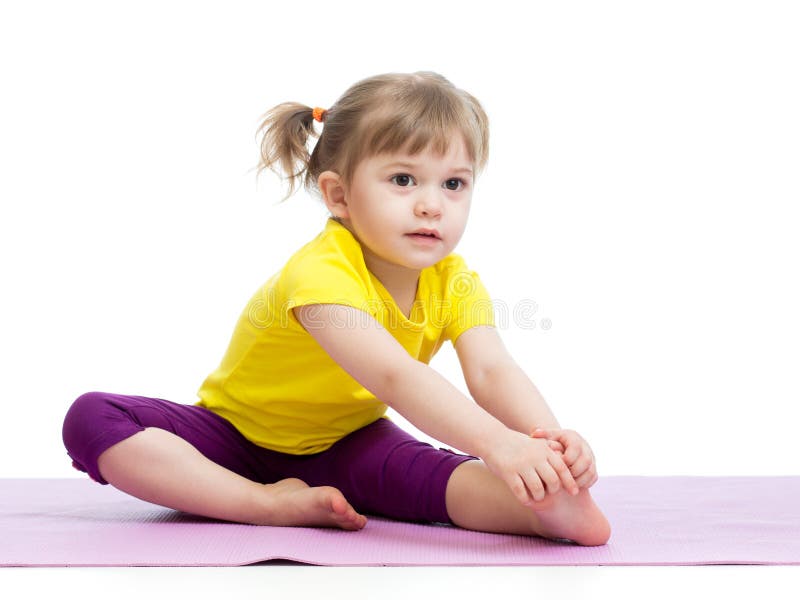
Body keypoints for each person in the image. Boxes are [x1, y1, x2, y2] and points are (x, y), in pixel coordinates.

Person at [62, 71, 611, 546]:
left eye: (453, 183)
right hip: (232, 439)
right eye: (402, 179)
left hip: (351, 446)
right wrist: (500, 444)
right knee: (91, 418)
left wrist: (547, 443)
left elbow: (493, 370)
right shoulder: (319, 273)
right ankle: (265, 505)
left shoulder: (454, 281)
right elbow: (396, 376)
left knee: (469, 480)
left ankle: (543, 512)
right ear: (339, 195)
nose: (431, 203)